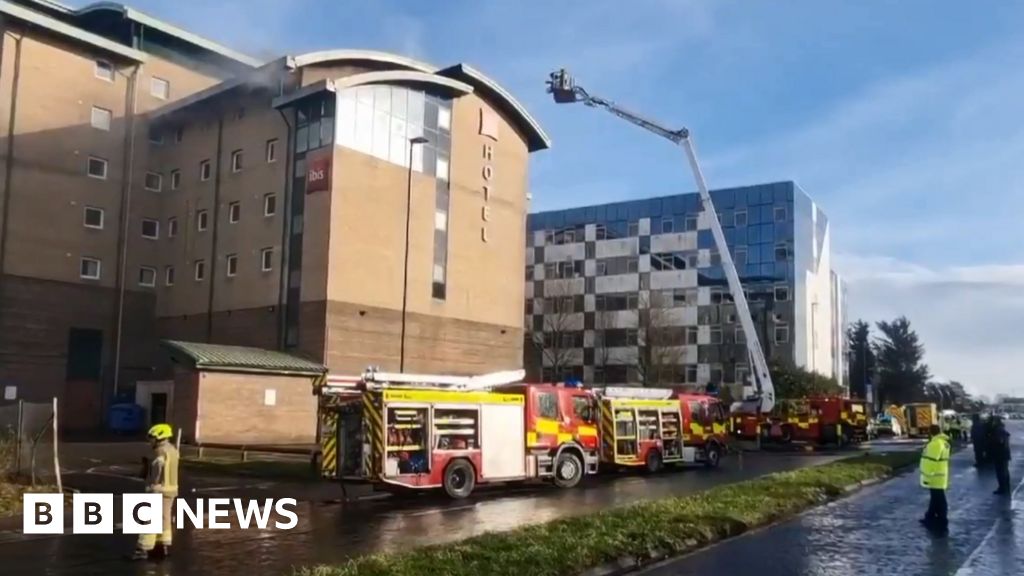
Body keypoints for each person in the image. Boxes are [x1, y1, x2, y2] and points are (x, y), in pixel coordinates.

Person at [130, 423, 179, 560]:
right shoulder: (173, 450)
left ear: (159, 437)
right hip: (171, 490)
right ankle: (163, 545)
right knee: (165, 518)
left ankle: (143, 549)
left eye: (151, 438)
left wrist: (151, 483)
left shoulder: (159, 452)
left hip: (158, 490)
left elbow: (156, 471)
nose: (150, 440)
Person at [919, 424, 951, 534]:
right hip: (939, 474)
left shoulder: (935, 444)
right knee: (935, 497)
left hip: (935, 475)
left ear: (930, 432)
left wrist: (927, 475)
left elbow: (931, 461)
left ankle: (942, 519)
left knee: (939, 498)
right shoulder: (942, 443)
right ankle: (930, 516)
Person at [989, 417, 1012, 496]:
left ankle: (1003, 488)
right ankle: (1005, 487)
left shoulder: (998, 430)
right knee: (1004, 471)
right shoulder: (1001, 429)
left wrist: (992, 440)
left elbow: (1000, 441)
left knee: (1001, 472)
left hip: (1000, 454)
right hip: (1003, 454)